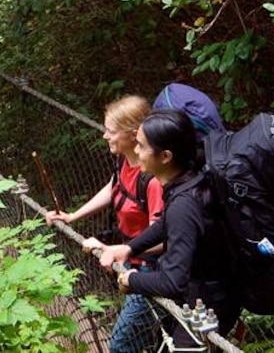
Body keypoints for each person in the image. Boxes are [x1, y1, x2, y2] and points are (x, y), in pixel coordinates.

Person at [97, 110, 241, 349]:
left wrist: (131, 279)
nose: (136, 152)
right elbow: (166, 224)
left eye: (142, 147)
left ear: (165, 156)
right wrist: (129, 248)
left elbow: (173, 281)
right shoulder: (190, 180)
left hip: (207, 309)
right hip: (210, 296)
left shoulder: (184, 204)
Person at [44, 95, 162, 353]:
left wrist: (119, 249)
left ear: (133, 135)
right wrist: (73, 216)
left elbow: (164, 239)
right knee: (143, 339)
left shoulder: (152, 180)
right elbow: (115, 188)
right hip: (130, 261)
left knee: (120, 346)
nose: (105, 136)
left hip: (151, 271)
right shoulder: (125, 160)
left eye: (110, 131)